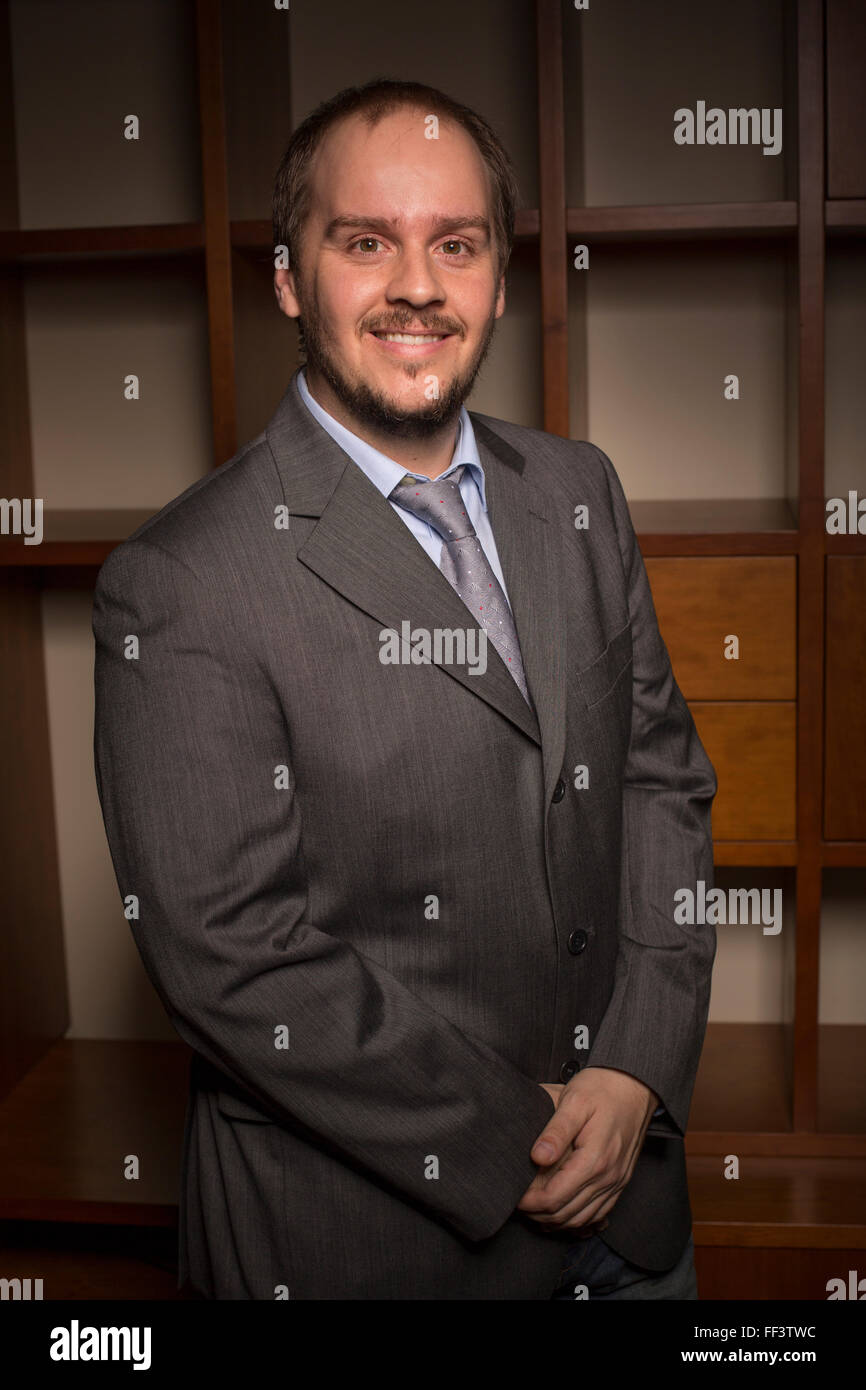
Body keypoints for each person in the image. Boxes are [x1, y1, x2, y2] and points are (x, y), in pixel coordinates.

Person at [93, 79, 717, 1301]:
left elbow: (659, 784)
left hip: (633, 1218)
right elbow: (233, 954)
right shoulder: (178, 580)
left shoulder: (579, 493)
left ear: (496, 274)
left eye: (456, 244)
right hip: (370, 1248)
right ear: (286, 277)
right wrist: (517, 1140)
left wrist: (635, 1070)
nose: (417, 285)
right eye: (363, 241)